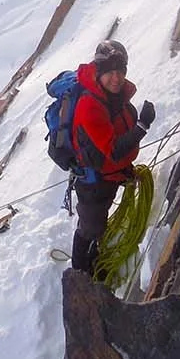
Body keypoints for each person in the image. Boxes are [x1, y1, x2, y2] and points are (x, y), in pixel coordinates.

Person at [69, 39, 155, 274]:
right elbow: (113, 149)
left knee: (98, 223)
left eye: (120, 71)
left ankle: (93, 259)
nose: (116, 78)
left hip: (108, 175)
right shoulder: (89, 105)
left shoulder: (114, 97)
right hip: (93, 182)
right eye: (109, 72)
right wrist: (142, 126)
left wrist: (125, 171)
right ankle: (80, 275)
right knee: (89, 228)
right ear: (99, 72)